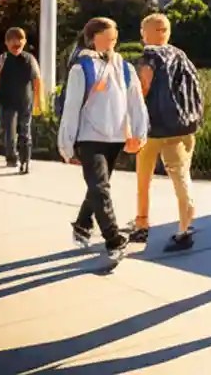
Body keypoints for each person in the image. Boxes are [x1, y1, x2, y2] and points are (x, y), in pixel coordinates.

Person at [58, 17, 149, 262]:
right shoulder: (82, 68)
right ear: (93, 37)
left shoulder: (124, 67)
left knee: (98, 188)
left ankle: (82, 224)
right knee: (100, 188)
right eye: (108, 36)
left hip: (116, 137)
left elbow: (136, 102)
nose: (112, 41)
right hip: (89, 138)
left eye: (114, 37)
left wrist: (140, 132)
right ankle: (113, 239)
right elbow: (71, 107)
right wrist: (67, 144)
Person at [125, 13, 204, 252]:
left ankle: (142, 223)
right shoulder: (181, 55)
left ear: (144, 33)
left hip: (153, 129)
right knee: (182, 177)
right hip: (183, 126)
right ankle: (185, 229)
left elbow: (143, 88)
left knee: (144, 178)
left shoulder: (148, 57)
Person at [0, 28, 44, 173]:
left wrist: (39, 100)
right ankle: (11, 157)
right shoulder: (4, 58)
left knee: (25, 131)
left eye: (20, 40)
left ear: (25, 42)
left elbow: (37, 80)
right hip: (7, 101)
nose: (16, 43)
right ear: (6, 43)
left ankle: (25, 161)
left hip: (24, 101)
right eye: (12, 41)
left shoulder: (30, 59)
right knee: (9, 131)